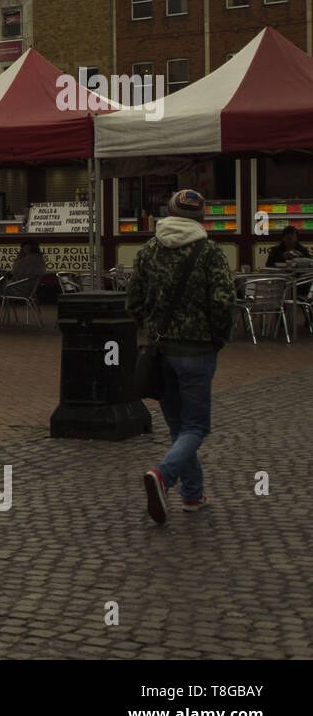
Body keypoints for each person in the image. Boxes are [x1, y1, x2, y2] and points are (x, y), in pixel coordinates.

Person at [126, 189, 235, 524]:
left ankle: (192, 494)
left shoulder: (149, 251)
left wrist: (152, 327)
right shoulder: (210, 252)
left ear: (168, 212)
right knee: (196, 426)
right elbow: (222, 302)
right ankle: (164, 476)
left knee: (179, 427)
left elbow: (134, 302)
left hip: (162, 350)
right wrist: (217, 338)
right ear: (201, 218)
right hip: (198, 350)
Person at [0, 240, 48, 328]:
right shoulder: (39, 259)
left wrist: (19, 258)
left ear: (27, 248)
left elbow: (15, 272)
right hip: (28, 290)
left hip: (16, 289)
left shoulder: (27, 260)